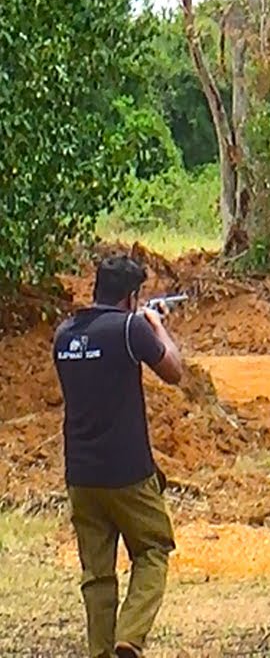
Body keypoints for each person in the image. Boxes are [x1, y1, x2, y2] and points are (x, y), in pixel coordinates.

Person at [52, 255, 185, 658]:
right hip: (128, 471)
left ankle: (100, 652)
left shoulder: (65, 333)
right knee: (153, 548)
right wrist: (157, 325)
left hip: (80, 474)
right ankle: (129, 637)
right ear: (132, 296)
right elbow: (174, 370)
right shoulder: (131, 328)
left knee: (97, 575)